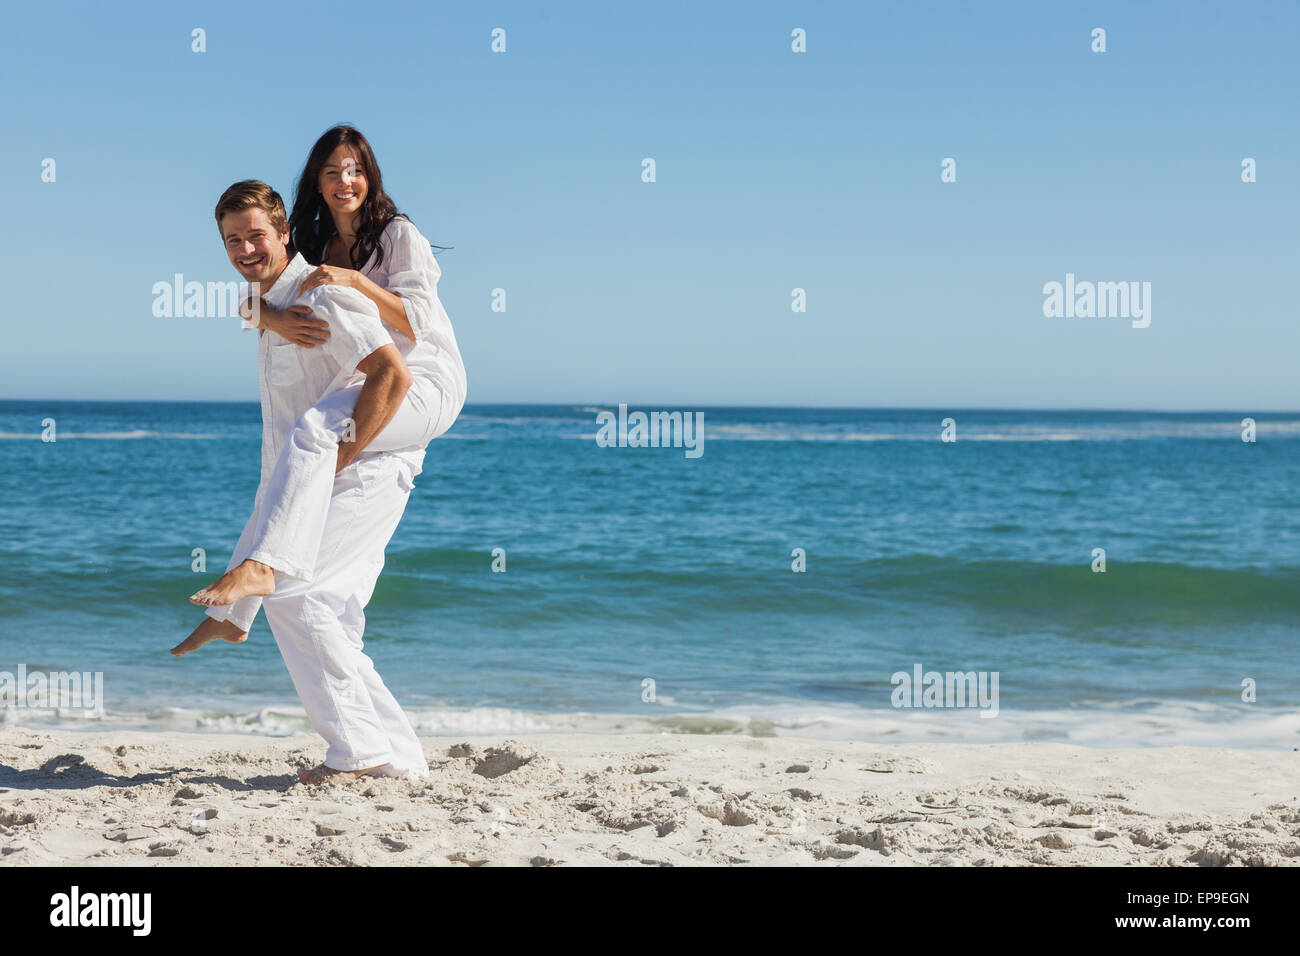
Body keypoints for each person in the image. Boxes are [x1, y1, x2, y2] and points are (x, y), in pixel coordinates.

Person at [171, 180, 429, 784]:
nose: (245, 249)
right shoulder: (270, 304)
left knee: (299, 596)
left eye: (256, 235)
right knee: (332, 615)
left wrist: (338, 461)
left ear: (285, 232)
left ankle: (356, 754)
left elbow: (392, 375)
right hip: (322, 471)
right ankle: (398, 760)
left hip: (363, 470)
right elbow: (251, 307)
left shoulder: (324, 296)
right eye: (232, 240)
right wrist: (265, 315)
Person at [183, 125, 466, 631]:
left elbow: (417, 323)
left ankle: (261, 573)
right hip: (369, 378)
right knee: (286, 453)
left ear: (370, 176)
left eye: (355, 171)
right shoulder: (314, 240)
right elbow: (265, 294)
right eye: (332, 172)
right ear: (316, 180)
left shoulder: (397, 233)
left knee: (317, 430)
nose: (345, 181)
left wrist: (355, 279)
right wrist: (270, 318)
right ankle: (234, 614)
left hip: (426, 380)